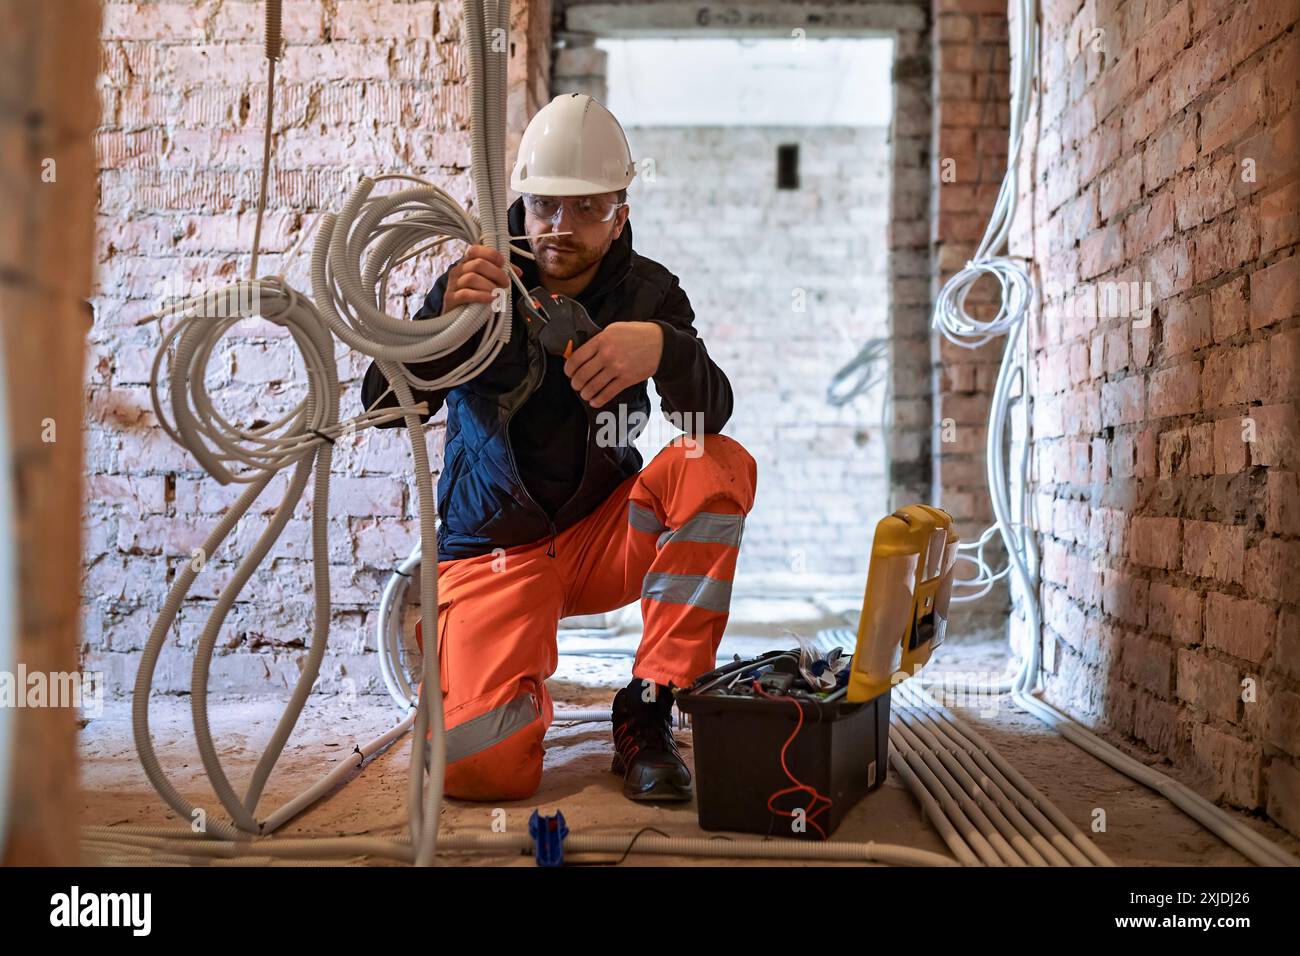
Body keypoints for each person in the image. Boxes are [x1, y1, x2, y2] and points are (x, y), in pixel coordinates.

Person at [362, 93, 757, 802]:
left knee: (715, 465)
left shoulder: (649, 293)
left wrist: (667, 349)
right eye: (546, 206)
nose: (560, 227)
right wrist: (438, 324)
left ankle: (651, 702)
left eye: (586, 209)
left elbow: (710, 418)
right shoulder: (475, 282)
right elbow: (383, 407)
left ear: (620, 215)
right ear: (522, 201)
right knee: (475, 772)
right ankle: (493, 679)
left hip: (601, 538)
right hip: (494, 554)